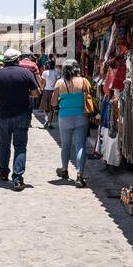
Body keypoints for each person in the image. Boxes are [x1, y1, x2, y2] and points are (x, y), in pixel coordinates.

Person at [0, 48, 40, 191]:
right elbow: (36, 94)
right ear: (18, 59)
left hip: (3, 115)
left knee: (4, 145)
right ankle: (18, 179)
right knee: (20, 147)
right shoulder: (26, 73)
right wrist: (24, 93)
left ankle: (3, 173)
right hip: (22, 115)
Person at [52, 58, 94, 187]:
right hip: (81, 117)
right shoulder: (84, 81)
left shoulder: (59, 83)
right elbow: (90, 96)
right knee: (80, 146)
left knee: (65, 145)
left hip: (64, 117)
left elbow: (53, 103)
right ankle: (80, 175)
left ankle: (64, 170)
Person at [40, 59, 60, 129]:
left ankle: (46, 119)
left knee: (45, 107)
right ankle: (49, 123)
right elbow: (57, 83)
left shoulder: (44, 72)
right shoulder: (56, 72)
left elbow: (43, 82)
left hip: (46, 90)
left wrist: (42, 89)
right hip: (53, 91)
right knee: (52, 108)